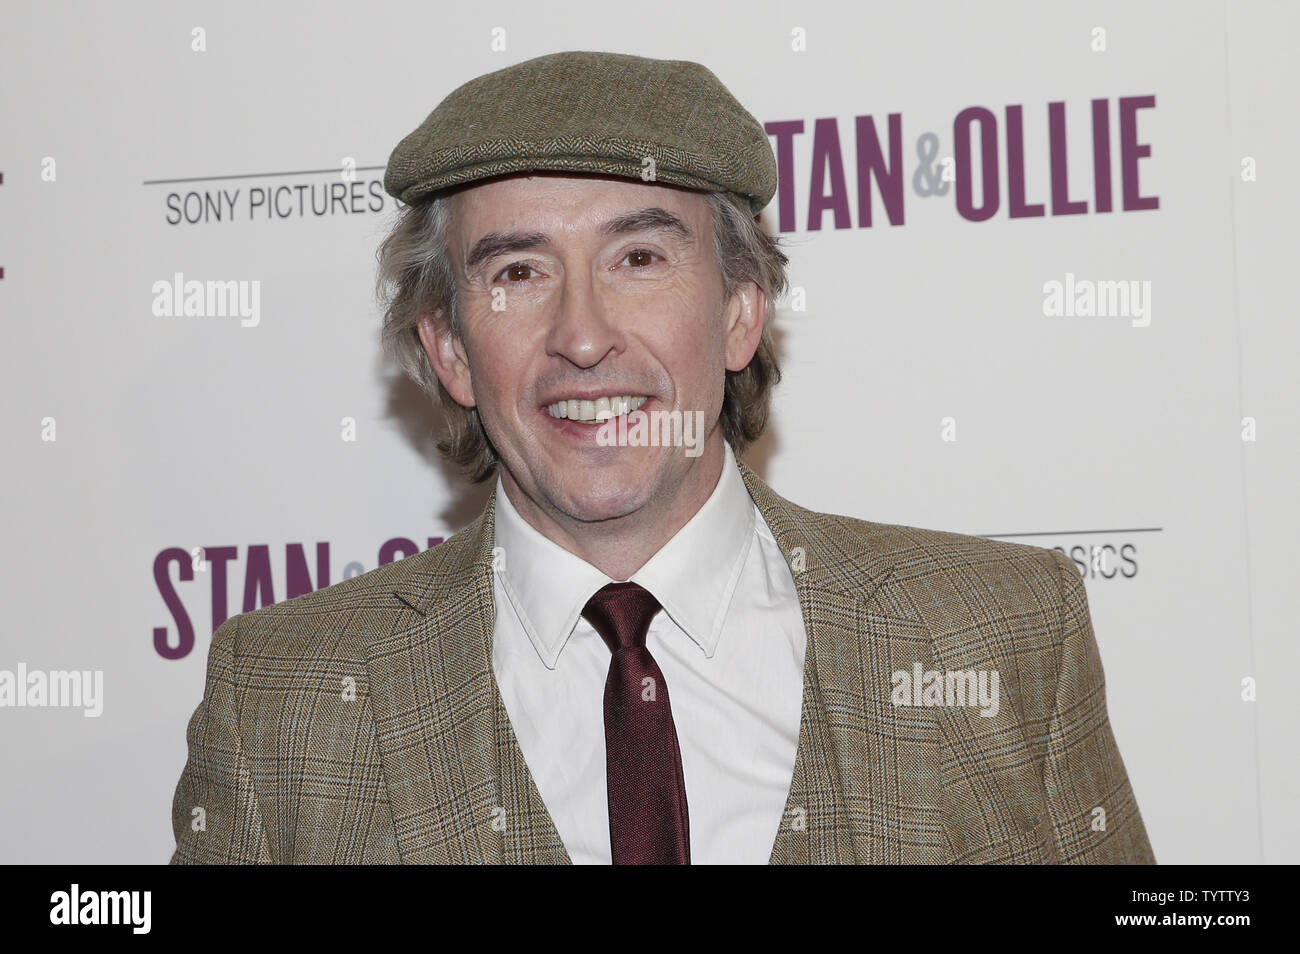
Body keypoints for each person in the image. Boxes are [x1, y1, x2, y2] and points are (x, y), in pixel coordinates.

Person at [170, 50, 1154, 864]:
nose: (584, 336)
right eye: (518, 271)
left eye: (638, 259)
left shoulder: (1003, 631)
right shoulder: (281, 704)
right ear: (449, 350)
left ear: (738, 311)